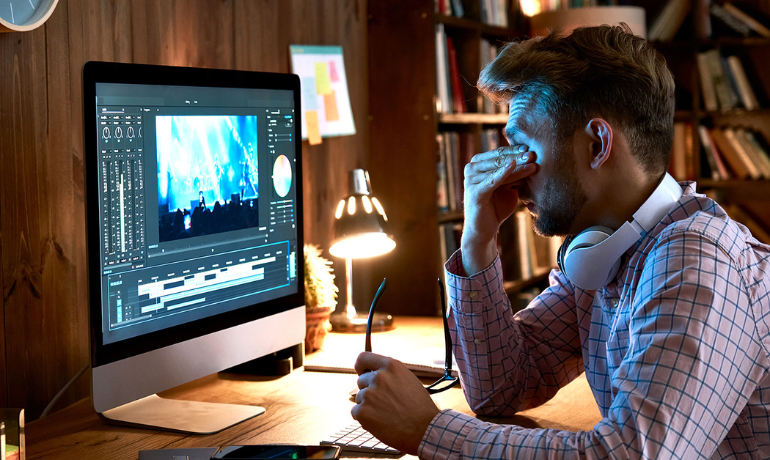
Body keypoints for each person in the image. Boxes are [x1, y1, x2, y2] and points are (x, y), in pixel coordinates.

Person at [351, 24, 770, 458]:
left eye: (523, 145)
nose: (509, 171)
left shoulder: (694, 259)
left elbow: (625, 455)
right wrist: (478, 240)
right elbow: (502, 389)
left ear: (596, 144)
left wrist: (426, 429)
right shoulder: (602, 252)